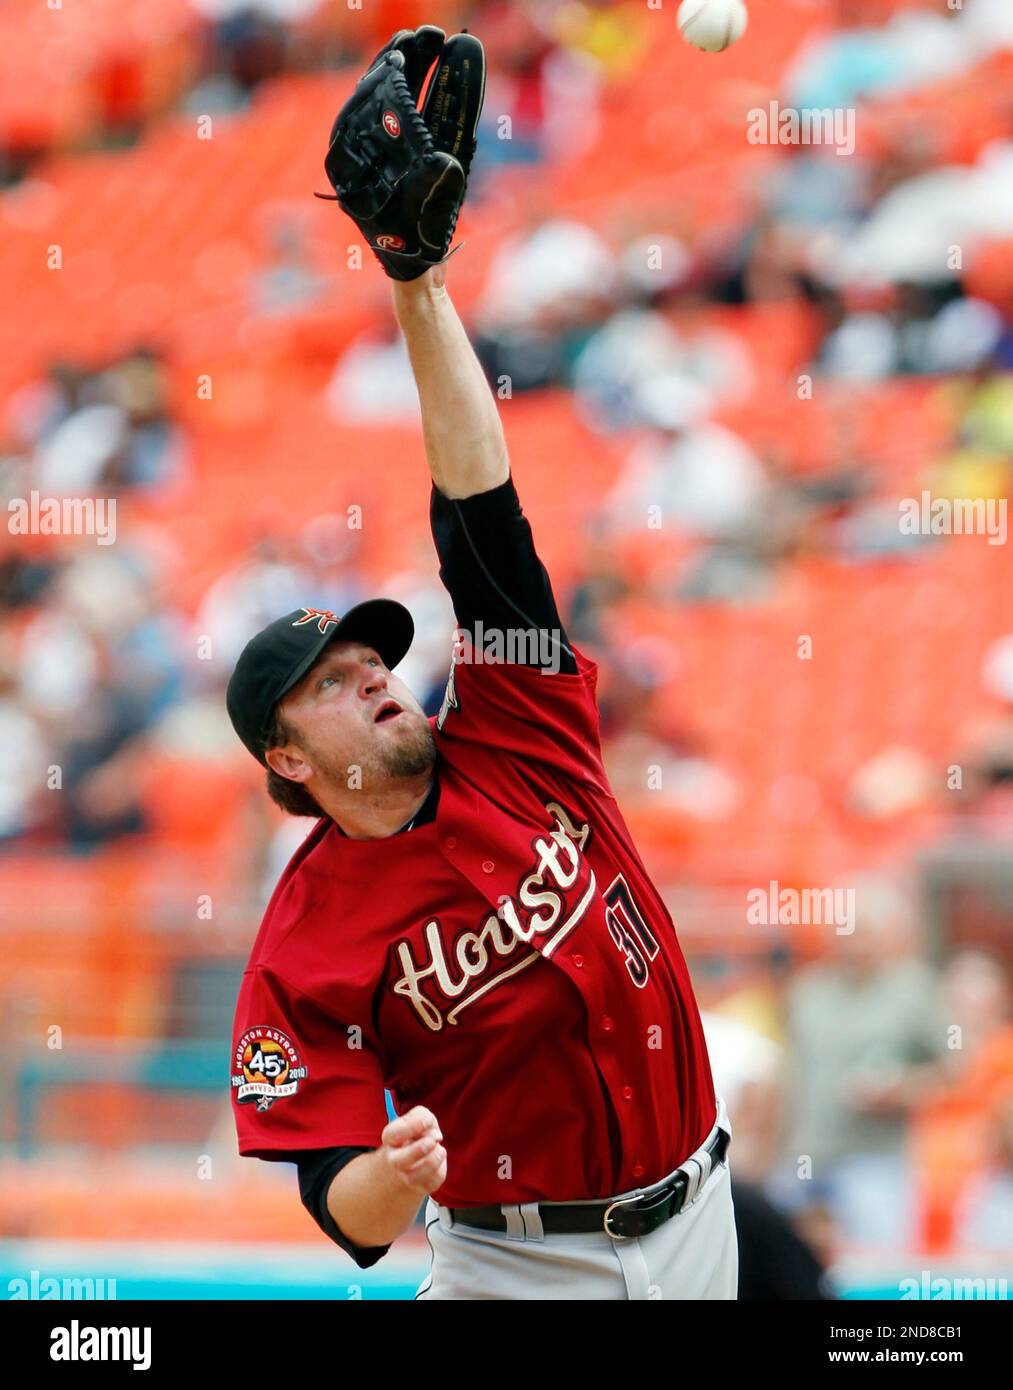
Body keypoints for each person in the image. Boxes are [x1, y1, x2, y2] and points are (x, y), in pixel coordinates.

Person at [225, 24, 736, 1301]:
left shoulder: (517, 729)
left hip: (700, 1217)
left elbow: (481, 518)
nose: (378, 677)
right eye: (334, 683)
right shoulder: (303, 942)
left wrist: (416, 286)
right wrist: (392, 1176)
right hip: (517, 1267)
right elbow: (331, 1198)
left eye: (372, 658)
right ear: (288, 758)